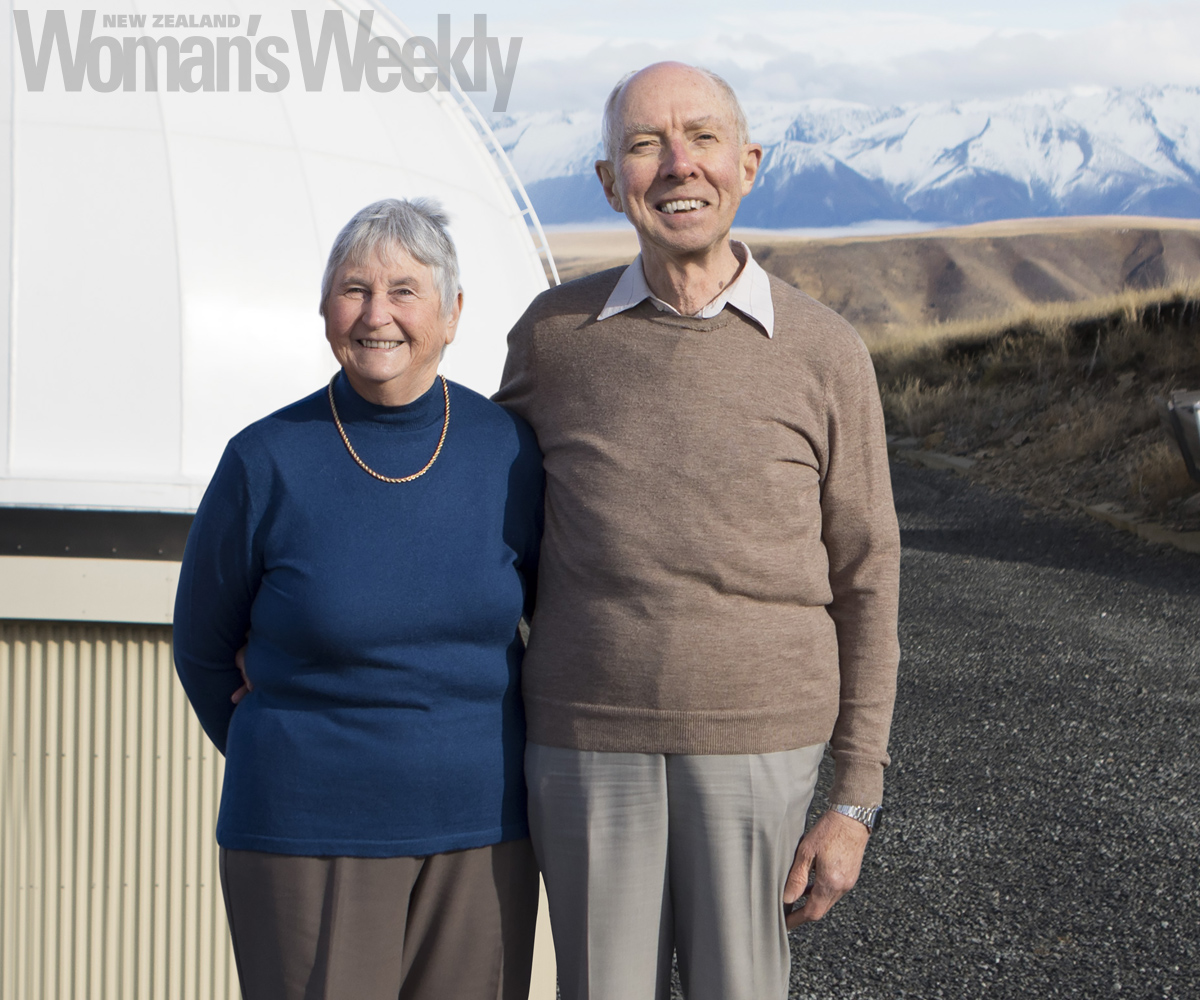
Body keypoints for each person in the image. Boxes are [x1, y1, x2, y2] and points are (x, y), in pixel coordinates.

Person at [494, 62, 901, 1000]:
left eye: (702, 139)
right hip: (585, 744)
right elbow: (474, 513)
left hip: (764, 748)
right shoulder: (552, 338)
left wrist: (854, 798)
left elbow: (870, 574)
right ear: (608, 182)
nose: (679, 166)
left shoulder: (826, 351)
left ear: (747, 164)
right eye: (645, 145)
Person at [174, 198, 544, 1000]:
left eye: (405, 290)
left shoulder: (510, 451)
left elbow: (557, 615)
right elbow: (202, 647)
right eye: (354, 289)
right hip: (307, 833)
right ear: (324, 309)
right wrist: (290, 755)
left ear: (452, 314)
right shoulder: (265, 460)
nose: (378, 315)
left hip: (484, 832)